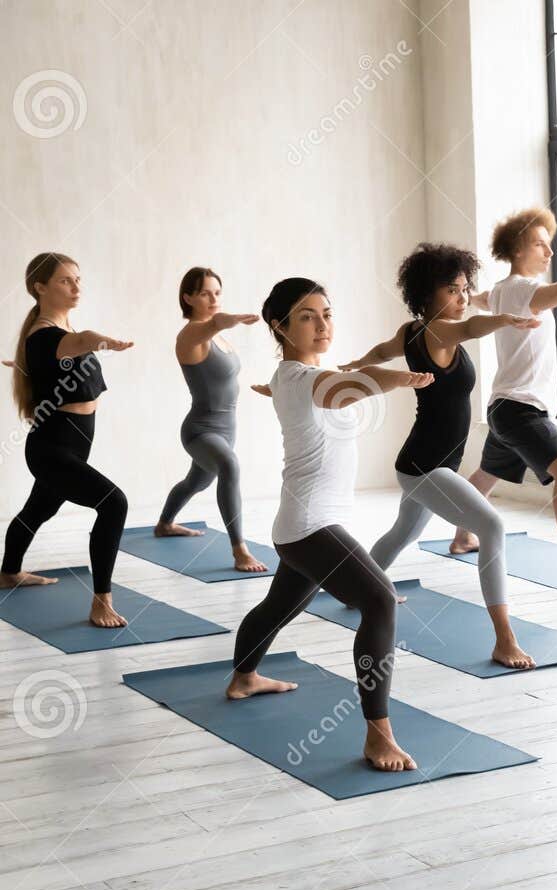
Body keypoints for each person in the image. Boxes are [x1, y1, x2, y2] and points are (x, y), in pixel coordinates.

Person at [226, 277, 432, 773]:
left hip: (304, 522)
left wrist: (270, 386)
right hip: (309, 525)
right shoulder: (302, 379)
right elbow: (341, 391)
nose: (322, 324)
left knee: (280, 604)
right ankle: (377, 735)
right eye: (306, 316)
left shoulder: (293, 375)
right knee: (379, 600)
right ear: (280, 326)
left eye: (327, 313)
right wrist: (399, 378)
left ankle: (243, 678)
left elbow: (316, 382)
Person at [343, 242, 542, 669]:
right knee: (492, 525)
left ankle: (359, 589)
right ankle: (504, 639)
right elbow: (471, 330)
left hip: (426, 462)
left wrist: (359, 362)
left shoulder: (410, 333)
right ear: (427, 294)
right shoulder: (437, 331)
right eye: (453, 290)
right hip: (425, 466)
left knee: (403, 533)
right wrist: (505, 319)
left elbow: (383, 351)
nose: (463, 297)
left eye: (466, 288)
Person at [446, 207, 557, 599]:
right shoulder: (525, 291)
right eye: (540, 244)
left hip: (503, 406)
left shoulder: (505, 290)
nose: (549, 252)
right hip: (521, 408)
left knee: (487, 474)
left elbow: (483, 299)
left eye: (550, 244)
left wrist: (464, 299)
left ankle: (461, 535)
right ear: (517, 249)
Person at [2, 252, 132, 627]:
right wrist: (107, 342)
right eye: (65, 280)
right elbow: (83, 341)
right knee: (114, 503)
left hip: (71, 445)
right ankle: (101, 601)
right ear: (39, 287)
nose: (76, 286)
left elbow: (64, 352)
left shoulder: (52, 335)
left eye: (78, 279)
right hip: (50, 448)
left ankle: (8, 572)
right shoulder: (48, 335)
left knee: (40, 508)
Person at [154, 266, 266, 571]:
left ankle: (164, 524)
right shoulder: (191, 334)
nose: (213, 298)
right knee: (229, 466)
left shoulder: (219, 339)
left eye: (217, 292)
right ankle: (239, 550)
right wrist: (232, 319)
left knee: (195, 482)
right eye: (205, 293)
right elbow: (215, 323)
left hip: (228, 429)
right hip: (200, 430)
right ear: (188, 297)